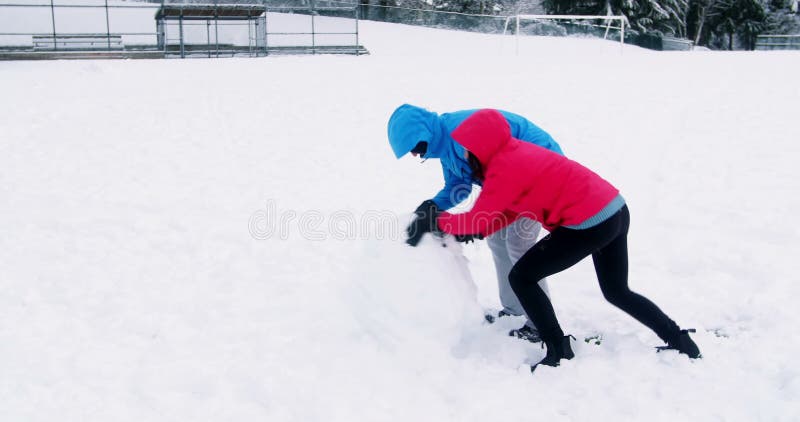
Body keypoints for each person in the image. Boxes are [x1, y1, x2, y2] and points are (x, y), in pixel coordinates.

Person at [408, 109, 700, 371]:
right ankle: (680, 341)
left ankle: (558, 351)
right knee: (616, 291)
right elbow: (503, 214)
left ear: (481, 147)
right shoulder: (513, 155)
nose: (466, 157)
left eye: (468, 151)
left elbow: (477, 221)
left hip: (588, 223)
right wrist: (447, 222)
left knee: (523, 276)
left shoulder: (504, 168)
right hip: (614, 209)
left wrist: (435, 221)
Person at [387, 104, 563, 342]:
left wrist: (465, 225)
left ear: (423, 133)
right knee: (498, 239)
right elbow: (458, 187)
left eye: (414, 147)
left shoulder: (462, 134)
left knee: (518, 243)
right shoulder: (444, 143)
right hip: (510, 181)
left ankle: (540, 325)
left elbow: (499, 181)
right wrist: (432, 206)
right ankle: (514, 309)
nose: (415, 155)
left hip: (540, 172)